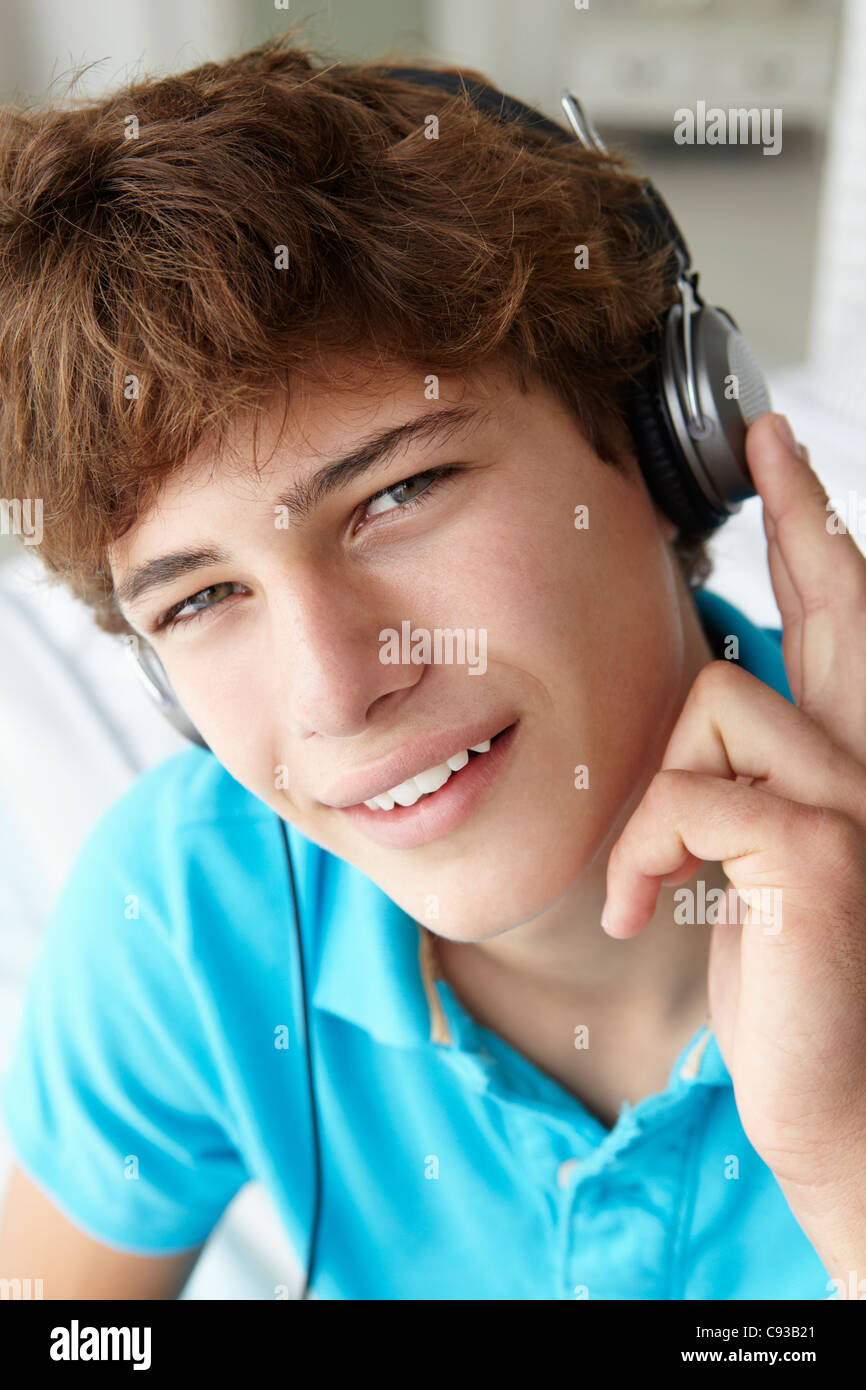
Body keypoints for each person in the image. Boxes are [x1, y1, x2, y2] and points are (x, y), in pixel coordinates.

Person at [1, 27, 864, 1300]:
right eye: (200, 599)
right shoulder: (196, 906)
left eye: (396, 494)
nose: (334, 689)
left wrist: (838, 1150)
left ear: (672, 445)